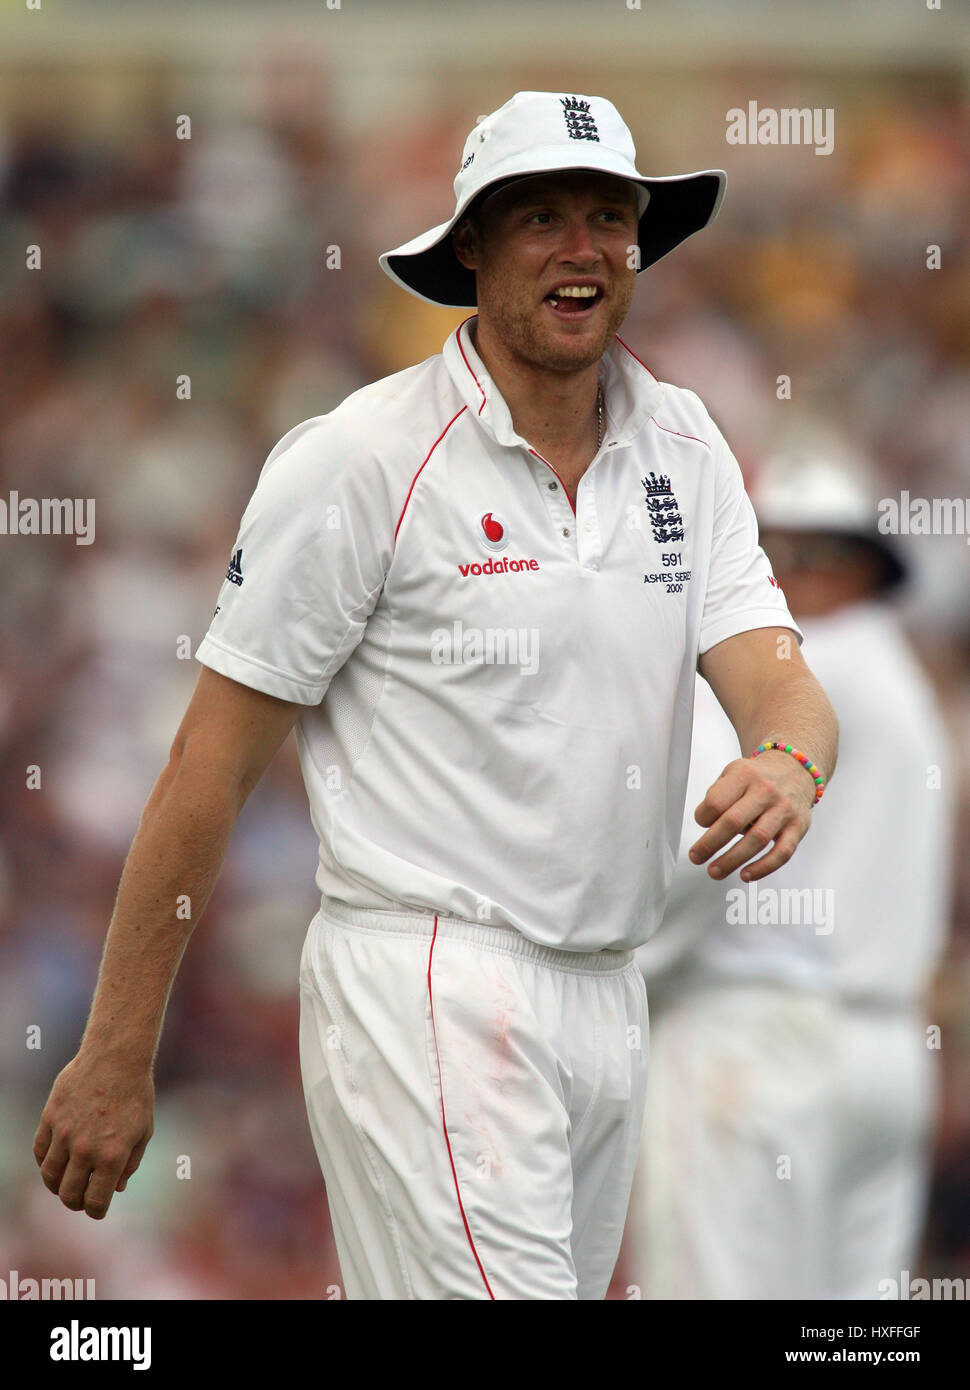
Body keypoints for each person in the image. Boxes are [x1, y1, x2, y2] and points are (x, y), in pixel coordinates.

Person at [33, 91, 838, 1301]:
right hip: (427, 979)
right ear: (470, 247)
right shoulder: (358, 459)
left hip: (609, 993)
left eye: (607, 217)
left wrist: (788, 760)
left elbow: (775, 669)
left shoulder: (684, 441)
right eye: (542, 218)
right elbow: (207, 766)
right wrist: (115, 1051)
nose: (582, 246)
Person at [622, 445, 952, 1299]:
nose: (775, 575)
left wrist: (612, 969)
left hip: (756, 1036)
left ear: (850, 569)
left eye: (793, 554)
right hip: (884, 1054)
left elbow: (694, 848)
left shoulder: (797, 679)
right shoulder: (902, 678)